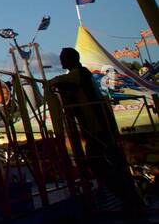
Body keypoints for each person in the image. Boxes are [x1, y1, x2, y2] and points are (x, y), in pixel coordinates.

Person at [50, 46, 143, 212]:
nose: (61, 61)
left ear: (71, 59)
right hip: (97, 126)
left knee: (99, 163)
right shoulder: (83, 75)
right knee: (107, 164)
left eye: (63, 58)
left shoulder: (79, 74)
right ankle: (130, 199)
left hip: (96, 127)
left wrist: (53, 85)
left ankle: (129, 200)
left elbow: (57, 81)